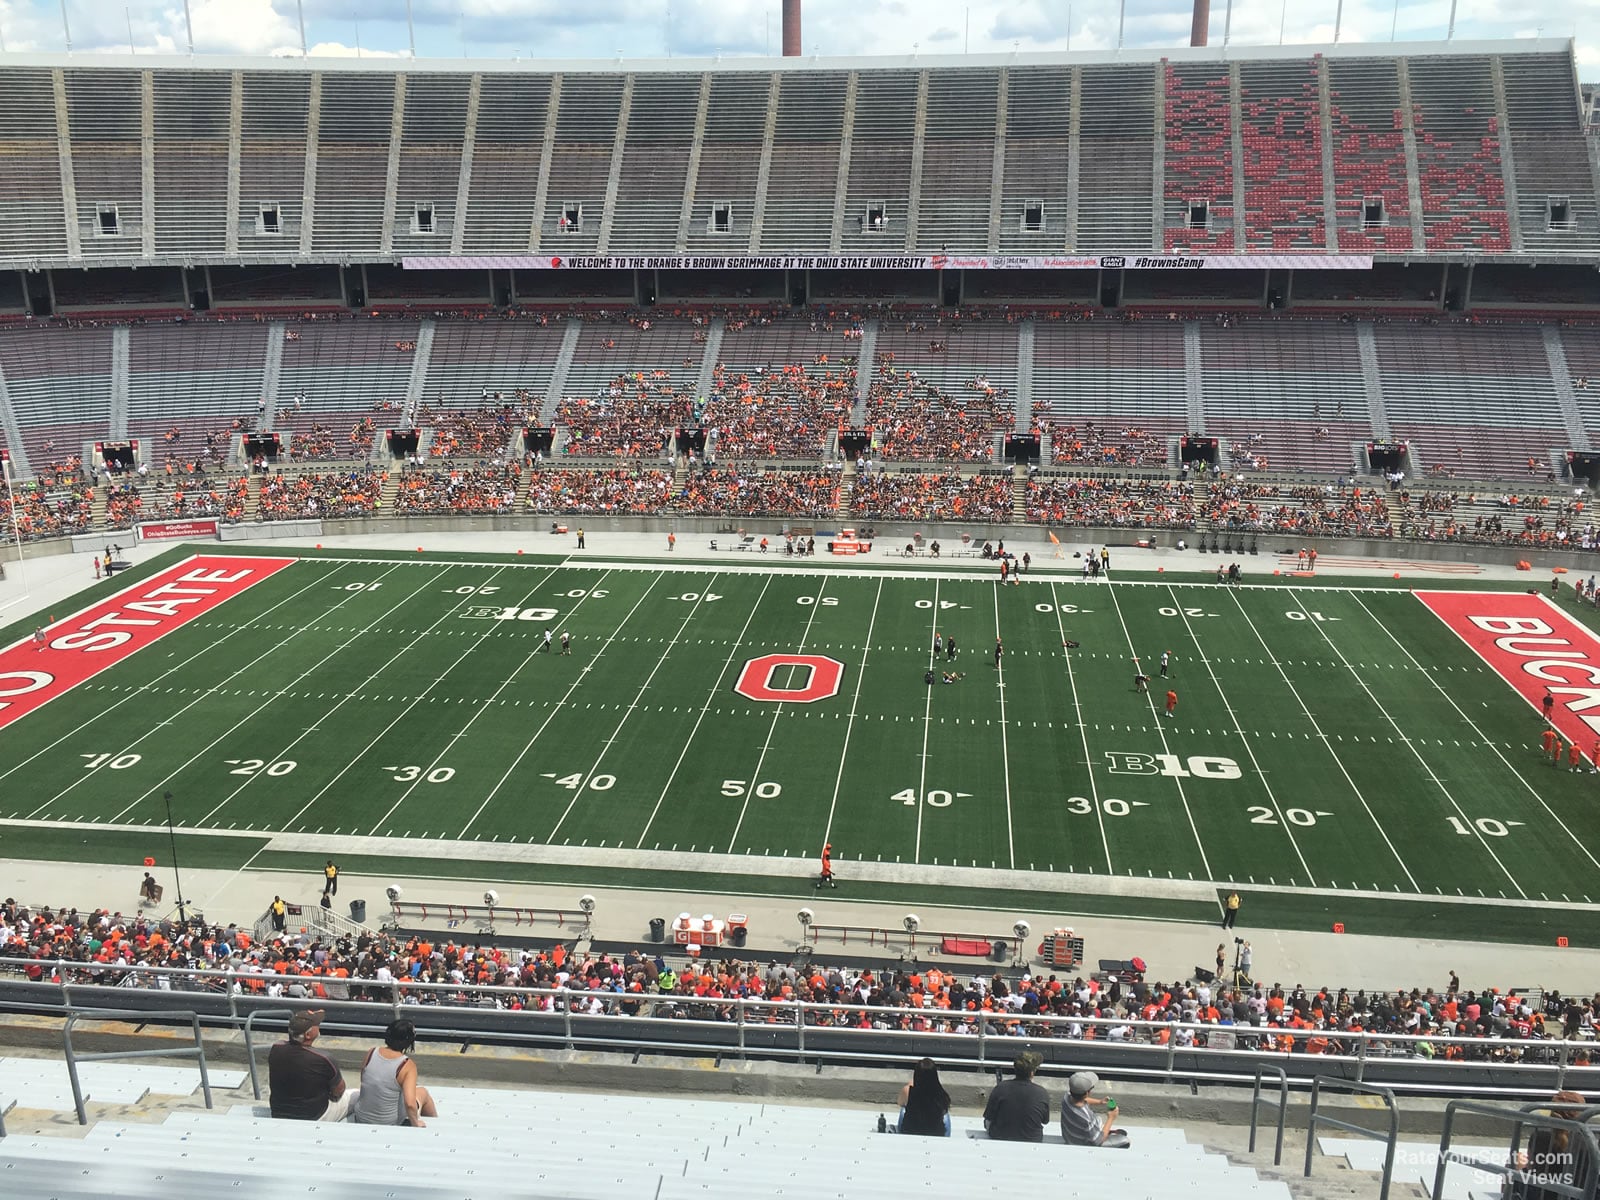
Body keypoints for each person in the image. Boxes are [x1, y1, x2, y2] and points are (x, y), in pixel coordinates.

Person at [268, 1009, 354, 1121]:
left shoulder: (276, 1048)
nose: (319, 1026)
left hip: (278, 1114)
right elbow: (338, 1091)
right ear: (308, 1035)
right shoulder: (323, 1058)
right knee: (356, 1096)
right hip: (313, 1117)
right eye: (316, 1025)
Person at [351, 1019, 438, 1127]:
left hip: (361, 1117)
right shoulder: (407, 1065)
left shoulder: (371, 1052)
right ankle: (435, 1126)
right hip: (389, 1122)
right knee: (422, 1092)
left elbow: (364, 1080)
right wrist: (416, 1123)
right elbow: (410, 1104)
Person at [983, 1050, 1050, 1142]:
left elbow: (989, 1116)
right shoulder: (1042, 1092)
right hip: (1032, 1138)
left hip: (999, 1135)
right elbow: (1045, 1121)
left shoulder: (1001, 1087)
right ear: (1032, 1073)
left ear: (1015, 1069)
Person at [1059, 1071, 1129, 1148]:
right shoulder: (1086, 1117)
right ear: (1087, 1093)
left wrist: (1100, 1102)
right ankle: (1104, 1132)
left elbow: (1083, 1099)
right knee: (1125, 1140)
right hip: (1081, 1143)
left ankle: (1102, 1131)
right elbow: (1098, 1141)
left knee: (1098, 1119)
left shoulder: (1066, 1097)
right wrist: (1111, 1118)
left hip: (1069, 1137)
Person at [897, 1058, 951, 1136]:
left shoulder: (907, 1091)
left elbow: (900, 1102)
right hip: (935, 1133)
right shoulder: (941, 1094)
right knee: (946, 1116)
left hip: (910, 1131)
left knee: (903, 1109)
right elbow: (945, 1108)